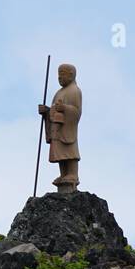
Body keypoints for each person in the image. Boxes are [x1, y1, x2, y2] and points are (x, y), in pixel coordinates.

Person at [38, 63, 82, 192]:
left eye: (63, 75)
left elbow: (76, 112)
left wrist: (64, 109)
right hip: (57, 127)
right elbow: (54, 109)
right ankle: (63, 174)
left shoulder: (74, 91)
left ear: (71, 75)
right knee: (59, 152)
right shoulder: (59, 92)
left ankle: (73, 175)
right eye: (58, 75)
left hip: (67, 127)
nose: (60, 77)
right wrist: (46, 111)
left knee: (69, 150)